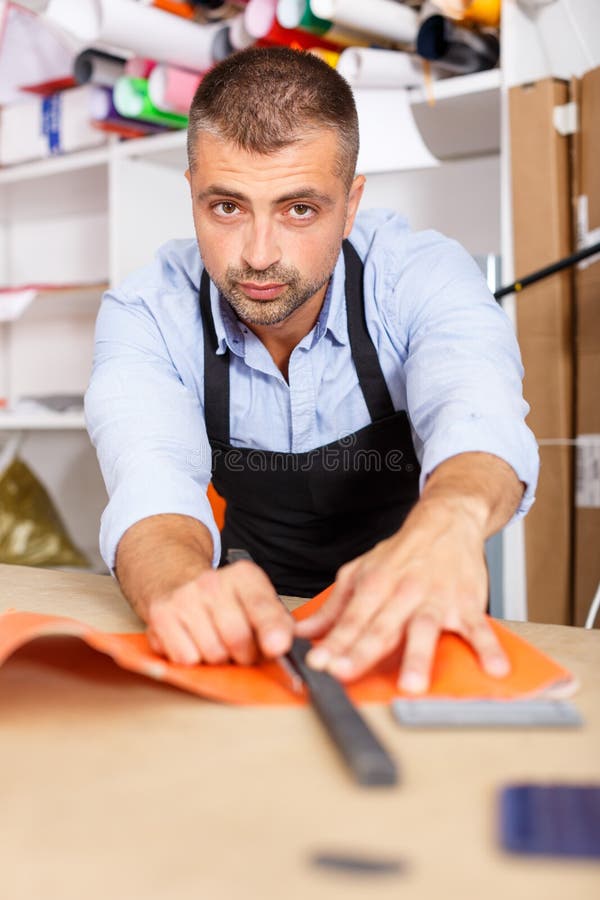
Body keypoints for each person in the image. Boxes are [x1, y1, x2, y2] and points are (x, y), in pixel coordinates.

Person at [85, 47, 538, 694]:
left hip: (417, 621)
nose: (259, 255)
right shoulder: (147, 313)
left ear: (350, 206)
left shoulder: (419, 277)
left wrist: (453, 521)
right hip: (253, 634)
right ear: (191, 195)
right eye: (227, 207)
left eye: (300, 209)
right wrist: (177, 586)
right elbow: (149, 480)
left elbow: (479, 416)